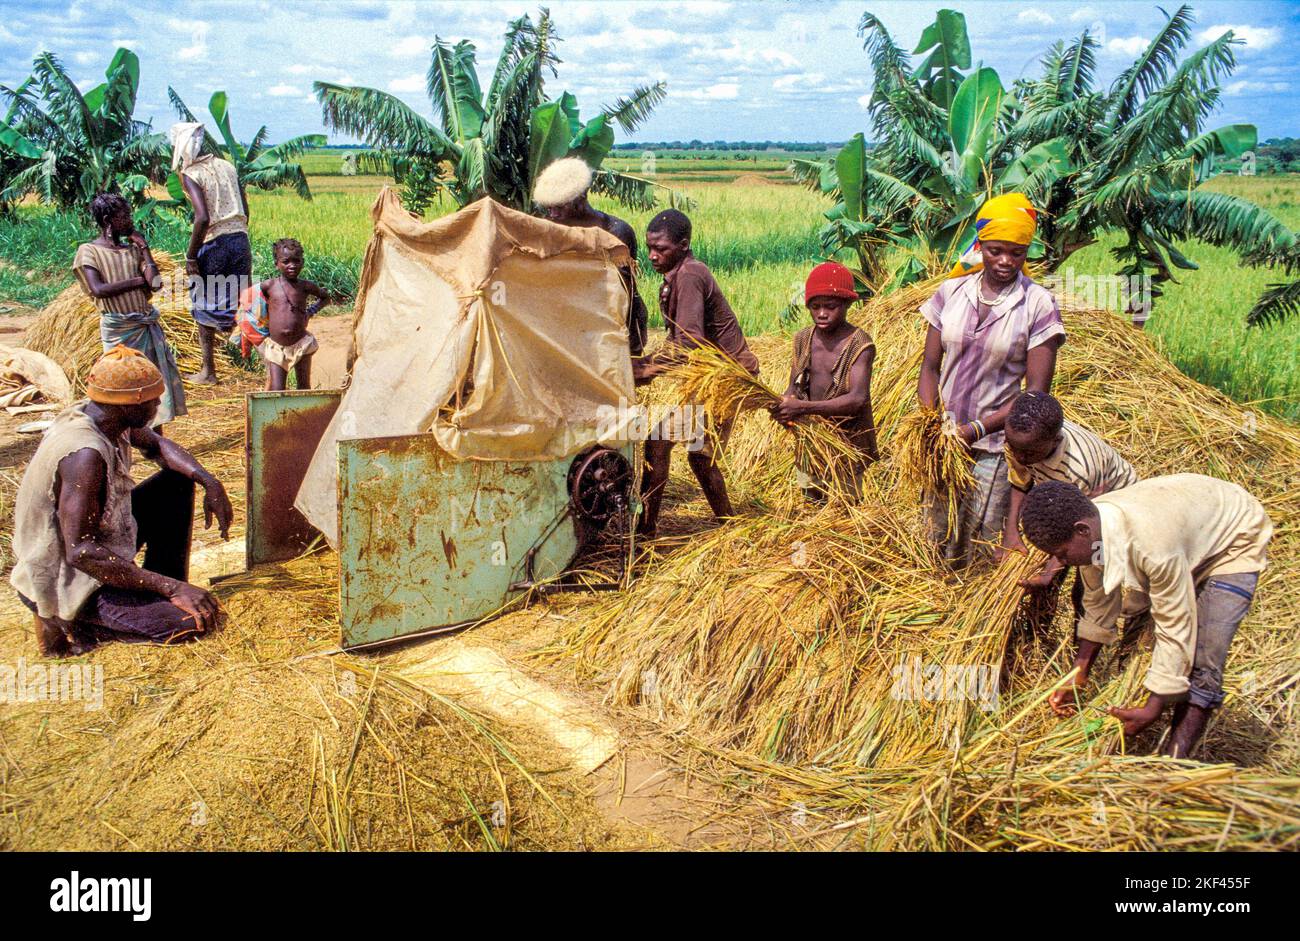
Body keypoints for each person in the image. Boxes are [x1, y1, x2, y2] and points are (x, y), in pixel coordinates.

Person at [1019, 477, 1272, 758]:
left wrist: (1154, 705)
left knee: (1204, 657)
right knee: (1148, 630)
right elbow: (1099, 602)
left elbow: (1175, 621)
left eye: (1062, 553)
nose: (1060, 562)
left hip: (1232, 538)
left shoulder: (1151, 545)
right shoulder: (1094, 534)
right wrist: (1078, 673)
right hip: (1187, 528)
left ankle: (1173, 762)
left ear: (1081, 530)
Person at [10, 347, 234, 657]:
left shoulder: (107, 417)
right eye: (153, 401)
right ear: (129, 405)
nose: (158, 405)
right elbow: (82, 553)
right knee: (191, 623)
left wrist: (209, 481)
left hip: (96, 551)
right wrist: (171, 589)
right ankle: (80, 622)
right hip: (70, 579)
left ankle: (158, 588)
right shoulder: (84, 456)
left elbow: (157, 444)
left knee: (176, 483)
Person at [917, 192, 1065, 569]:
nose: (1005, 261)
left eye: (1017, 253)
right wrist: (930, 424)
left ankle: (973, 613)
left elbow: (1035, 396)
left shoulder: (1037, 304)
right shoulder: (951, 292)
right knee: (937, 531)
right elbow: (930, 367)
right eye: (996, 250)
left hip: (996, 446)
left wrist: (977, 429)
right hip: (945, 440)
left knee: (982, 536)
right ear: (980, 245)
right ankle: (937, 601)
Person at [633, 208, 759, 539]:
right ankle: (722, 525)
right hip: (713, 376)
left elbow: (687, 344)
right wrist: (646, 363)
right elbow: (679, 340)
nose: (652, 255)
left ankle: (650, 530)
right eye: (649, 247)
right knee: (684, 451)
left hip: (726, 380)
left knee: (675, 448)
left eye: (661, 248)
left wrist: (645, 367)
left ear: (684, 244)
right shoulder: (679, 274)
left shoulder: (689, 275)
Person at [1001, 391, 1139, 597]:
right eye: (1014, 448)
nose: (1020, 457)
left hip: (1112, 514)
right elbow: (1020, 483)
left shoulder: (1080, 469)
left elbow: (1080, 529)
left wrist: (1049, 573)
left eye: (1029, 454)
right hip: (1068, 501)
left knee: (1093, 586)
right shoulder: (1021, 441)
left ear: (1055, 441)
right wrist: (1011, 531)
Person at [73, 193, 187, 427]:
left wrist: (144, 248)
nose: (130, 220)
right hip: (119, 328)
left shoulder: (133, 250)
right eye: (124, 216)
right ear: (108, 220)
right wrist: (137, 282)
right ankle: (122, 438)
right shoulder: (89, 251)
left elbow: (155, 284)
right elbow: (98, 289)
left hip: (144, 325)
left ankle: (154, 436)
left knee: (150, 385)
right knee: (120, 386)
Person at [770, 261, 877, 499]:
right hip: (812, 439)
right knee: (811, 498)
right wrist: (786, 405)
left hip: (847, 443)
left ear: (848, 303)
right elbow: (794, 385)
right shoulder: (803, 339)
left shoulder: (860, 344)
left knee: (846, 506)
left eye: (830, 306)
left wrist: (804, 407)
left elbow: (857, 399)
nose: (821, 313)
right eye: (815, 306)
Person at [532, 157, 649, 356]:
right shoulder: (548, 229)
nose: (552, 214)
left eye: (559, 207)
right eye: (549, 208)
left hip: (610, 327)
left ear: (582, 197)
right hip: (565, 326)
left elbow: (622, 293)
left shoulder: (615, 232)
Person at [171, 121, 252, 384]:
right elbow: (246, 210)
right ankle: (252, 363)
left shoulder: (192, 174)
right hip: (240, 239)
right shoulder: (228, 166)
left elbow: (202, 217)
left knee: (203, 302)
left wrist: (191, 256)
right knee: (242, 299)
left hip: (215, 243)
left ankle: (208, 372)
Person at [259, 239, 327, 391]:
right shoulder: (269, 286)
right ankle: (282, 415)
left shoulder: (305, 286)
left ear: (302, 262)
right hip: (277, 347)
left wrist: (311, 311)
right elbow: (249, 299)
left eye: (296, 261)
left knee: (303, 386)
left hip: (301, 344)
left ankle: (305, 414)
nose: (292, 265)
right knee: (277, 389)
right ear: (276, 263)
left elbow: (325, 298)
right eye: (286, 261)